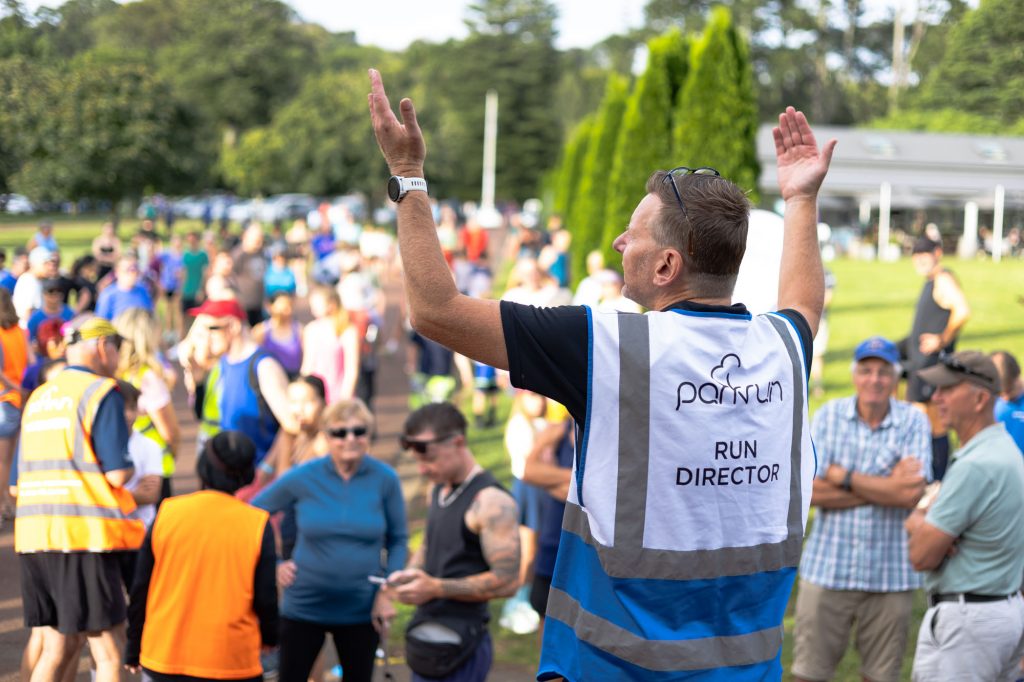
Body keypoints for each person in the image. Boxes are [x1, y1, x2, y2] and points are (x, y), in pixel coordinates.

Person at [369, 70, 833, 679]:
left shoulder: (607, 344)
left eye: (633, 236)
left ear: (668, 264)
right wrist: (801, 200)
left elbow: (433, 311)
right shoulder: (783, 347)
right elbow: (805, 303)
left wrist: (408, 178)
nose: (617, 242)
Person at [792, 337, 931, 682]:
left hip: (890, 575)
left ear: (896, 377)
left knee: (880, 677)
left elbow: (911, 493)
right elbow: (807, 492)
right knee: (809, 674)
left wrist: (844, 476)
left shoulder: (914, 421)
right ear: (855, 375)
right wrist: (886, 487)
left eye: (884, 372)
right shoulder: (828, 415)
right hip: (827, 570)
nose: (875, 379)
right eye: (866, 371)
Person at [13, 316, 143, 682]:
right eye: (116, 348)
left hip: (35, 537)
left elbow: (14, 484)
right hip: (83, 537)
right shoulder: (102, 392)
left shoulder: (40, 397)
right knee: (110, 652)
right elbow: (116, 473)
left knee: (59, 647)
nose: (117, 358)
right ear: (102, 346)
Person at [253, 399, 408, 682]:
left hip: (363, 608)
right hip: (304, 606)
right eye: (339, 432)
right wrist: (274, 564)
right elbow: (252, 515)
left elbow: (398, 540)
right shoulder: (304, 476)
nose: (350, 439)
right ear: (326, 437)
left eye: (359, 431)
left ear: (368, 435)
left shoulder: (385, 479)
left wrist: (387, 592)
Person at [905, 351, 1024, 680]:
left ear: (979, 399)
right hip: (996, 612)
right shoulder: (1002, 450)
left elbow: (921, 555)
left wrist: (916, 517)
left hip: (969, 624)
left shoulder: (976, 465)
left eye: (948, 389)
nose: (936, 397)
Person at [125, 431, 279, 682]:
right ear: (247, 475)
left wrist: (133, 647)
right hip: (231, 660)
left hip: (164, 655)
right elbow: (266, 597)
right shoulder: (258, 524)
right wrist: (271, 637)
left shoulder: (167, 513)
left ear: (203, 466)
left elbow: (141, 587)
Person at [386, 403, 519, 682]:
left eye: (429, 459)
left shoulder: (491, 502)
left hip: (461, 644)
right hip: (427, 634)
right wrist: (411, 574)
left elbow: (508, 581)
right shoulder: (439, 487)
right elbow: (431, 543)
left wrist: (434, 587)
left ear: (458, 442)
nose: (422, 470)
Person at [185, 298, 297, 464]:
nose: (206, 338)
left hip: (259, 478)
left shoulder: (264, 366)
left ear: (234, 327)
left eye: (212, 329)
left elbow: (290, 425)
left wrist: (267, 467)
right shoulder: (224, 362)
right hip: (235, 475)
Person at [902, 236, 971, 481]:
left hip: (931, 365)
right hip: (921, 364)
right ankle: (934, 477)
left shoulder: (943, 279)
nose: (920, 260)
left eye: (925, 254)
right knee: (925, 421)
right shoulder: (931, 280)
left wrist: (942, 339)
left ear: (938, 253)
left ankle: (937, 479)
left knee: (930, 423)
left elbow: (962, 310)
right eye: (916, 255)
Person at [113, 308, 181, 502]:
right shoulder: (147, 378)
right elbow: (170, 433)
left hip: (120, 463)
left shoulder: (114, 374)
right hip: (152, 469)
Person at [301, 285, 360, 403]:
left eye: (317, 303)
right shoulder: (310, 329)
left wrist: (345, 398)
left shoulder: (347, 330)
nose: (313, 307)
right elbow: (308, 363)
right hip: (315, 395)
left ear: (331, 304)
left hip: (338, 394)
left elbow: (351, 370)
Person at [0, 288, 28, 520]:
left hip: (5, 397)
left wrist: (14, 388)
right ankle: (9, 501)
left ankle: (4, 504)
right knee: (10, 459)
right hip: (18, 398)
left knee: (3, 459)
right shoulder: (19, 331)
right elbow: (31, 360)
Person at [253, 291, 303, 380]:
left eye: (289, 305)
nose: (287, 310)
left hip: (294, 377)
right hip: (270, 378)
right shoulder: (261, 331)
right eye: (283, 306)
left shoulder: (299, 329)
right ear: (270, 306)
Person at [95, 254, 154, 321]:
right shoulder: (108, 296)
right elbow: (101, 324)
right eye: (129, 269)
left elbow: (151, 317)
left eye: (136, 268)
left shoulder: (143, 291)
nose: (133, 273)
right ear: (117, 272)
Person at [233, 224, 269, 327]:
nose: (259, 242)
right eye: (256, 239)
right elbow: (231, 275)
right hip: (244, 304)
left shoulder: (262, 253)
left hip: (258, 302)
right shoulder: (239, 254)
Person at [12, 247, 56, 327]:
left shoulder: (37, 281)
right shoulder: (28, 282)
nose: (51, 267)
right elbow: (27, 314)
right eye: (46, 264)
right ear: (36, 264)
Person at [992, 350, 1024, 453]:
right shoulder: (989, 402)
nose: (1005, 398)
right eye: (1000, 394)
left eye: (1009, 391)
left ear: (1017, 375)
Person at [26, 278, 74, 343]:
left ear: (62, 295)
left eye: (58, 292)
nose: (54, 295)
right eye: (50, 292)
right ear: (44, 294)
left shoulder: (70, 314)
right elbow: (28, 340)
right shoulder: (35, 318)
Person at [180, 231, 210, 314]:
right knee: (184, 315)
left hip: (197, 291)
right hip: (186, 290)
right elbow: (184, 273)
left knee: (197, 316)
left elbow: (205, 273)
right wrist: (181, 288)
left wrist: (202, 289)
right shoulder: (186, 254)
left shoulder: (203, 255)